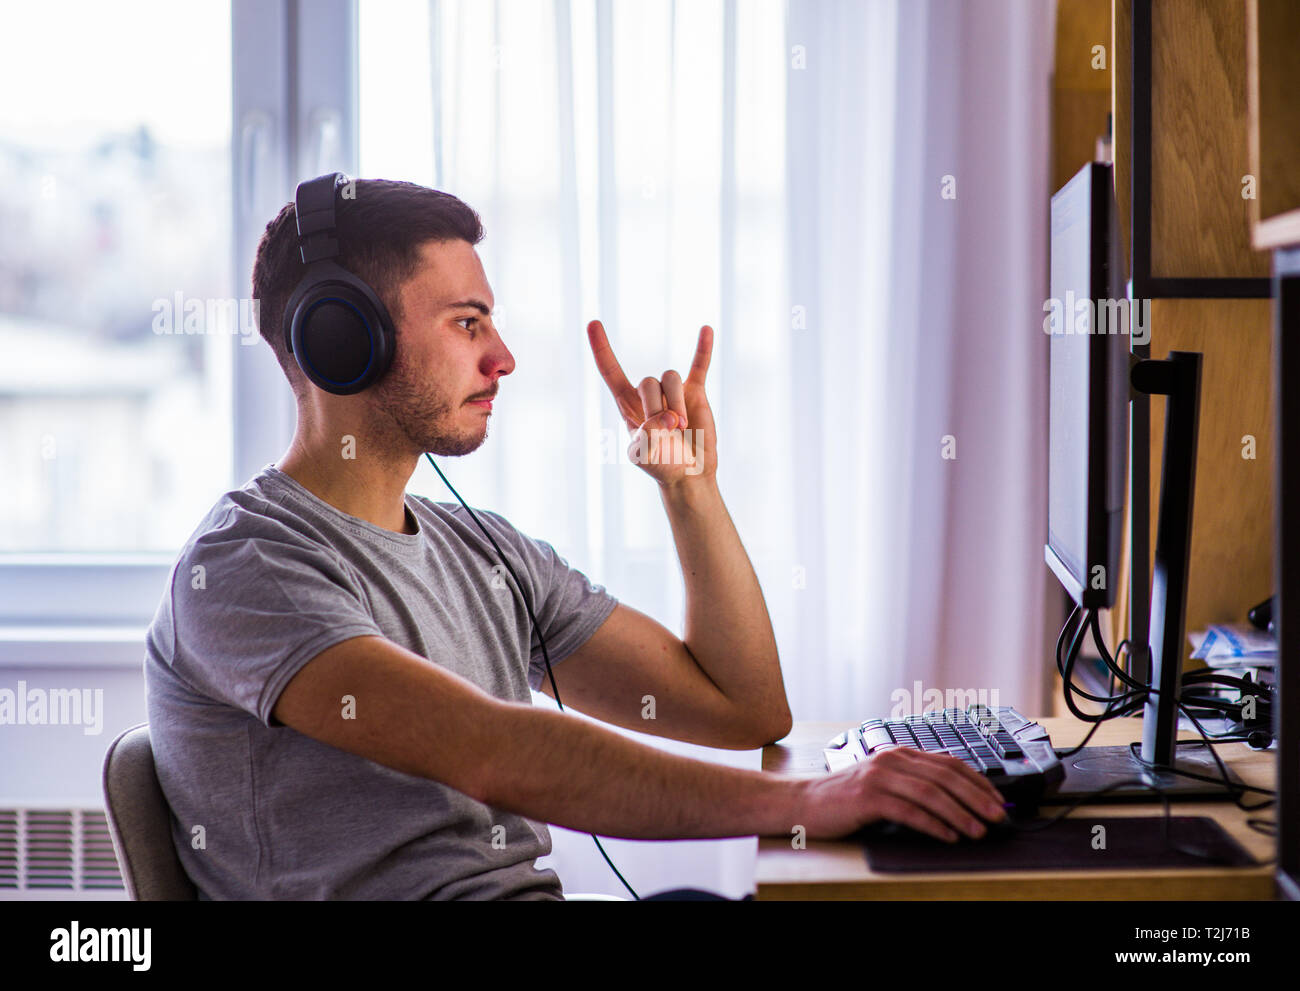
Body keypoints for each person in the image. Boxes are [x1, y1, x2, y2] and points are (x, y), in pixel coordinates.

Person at [144, 178, 1008, 900]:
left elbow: (744, 709)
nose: (504, 357)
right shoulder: (247, 567)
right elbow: (496, 749)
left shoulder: (484, 553)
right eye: (468, 322)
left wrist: (690, 491)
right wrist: (811, 798)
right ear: (344, 340)